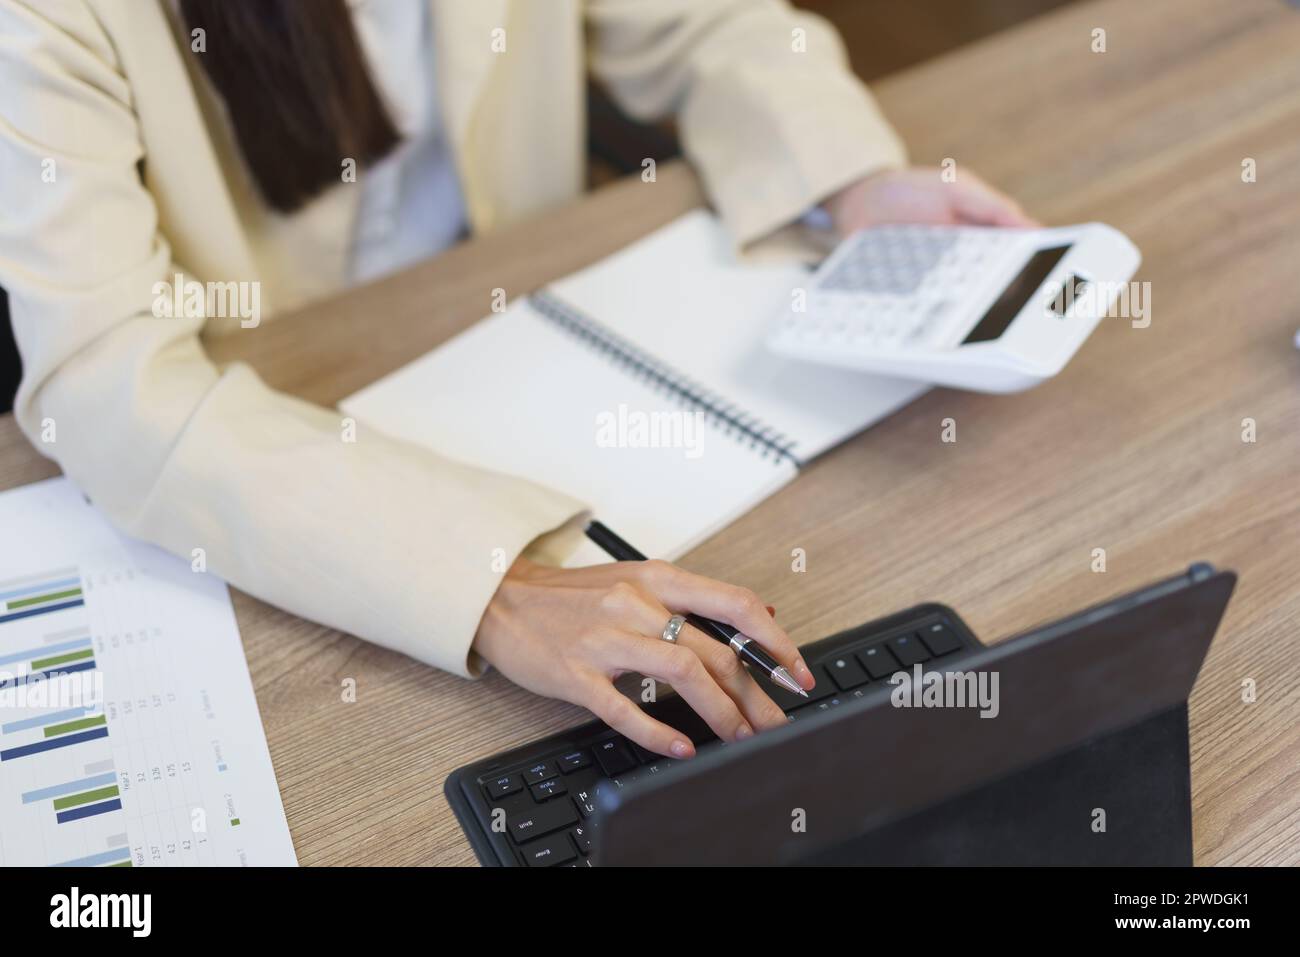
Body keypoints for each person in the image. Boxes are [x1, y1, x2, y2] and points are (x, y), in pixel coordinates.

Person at [0, 0, 1033, 758]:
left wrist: (849, 176)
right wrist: (490, 587)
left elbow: (707, 25)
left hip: (534, 334)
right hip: (284, 449)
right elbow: (105, 380)